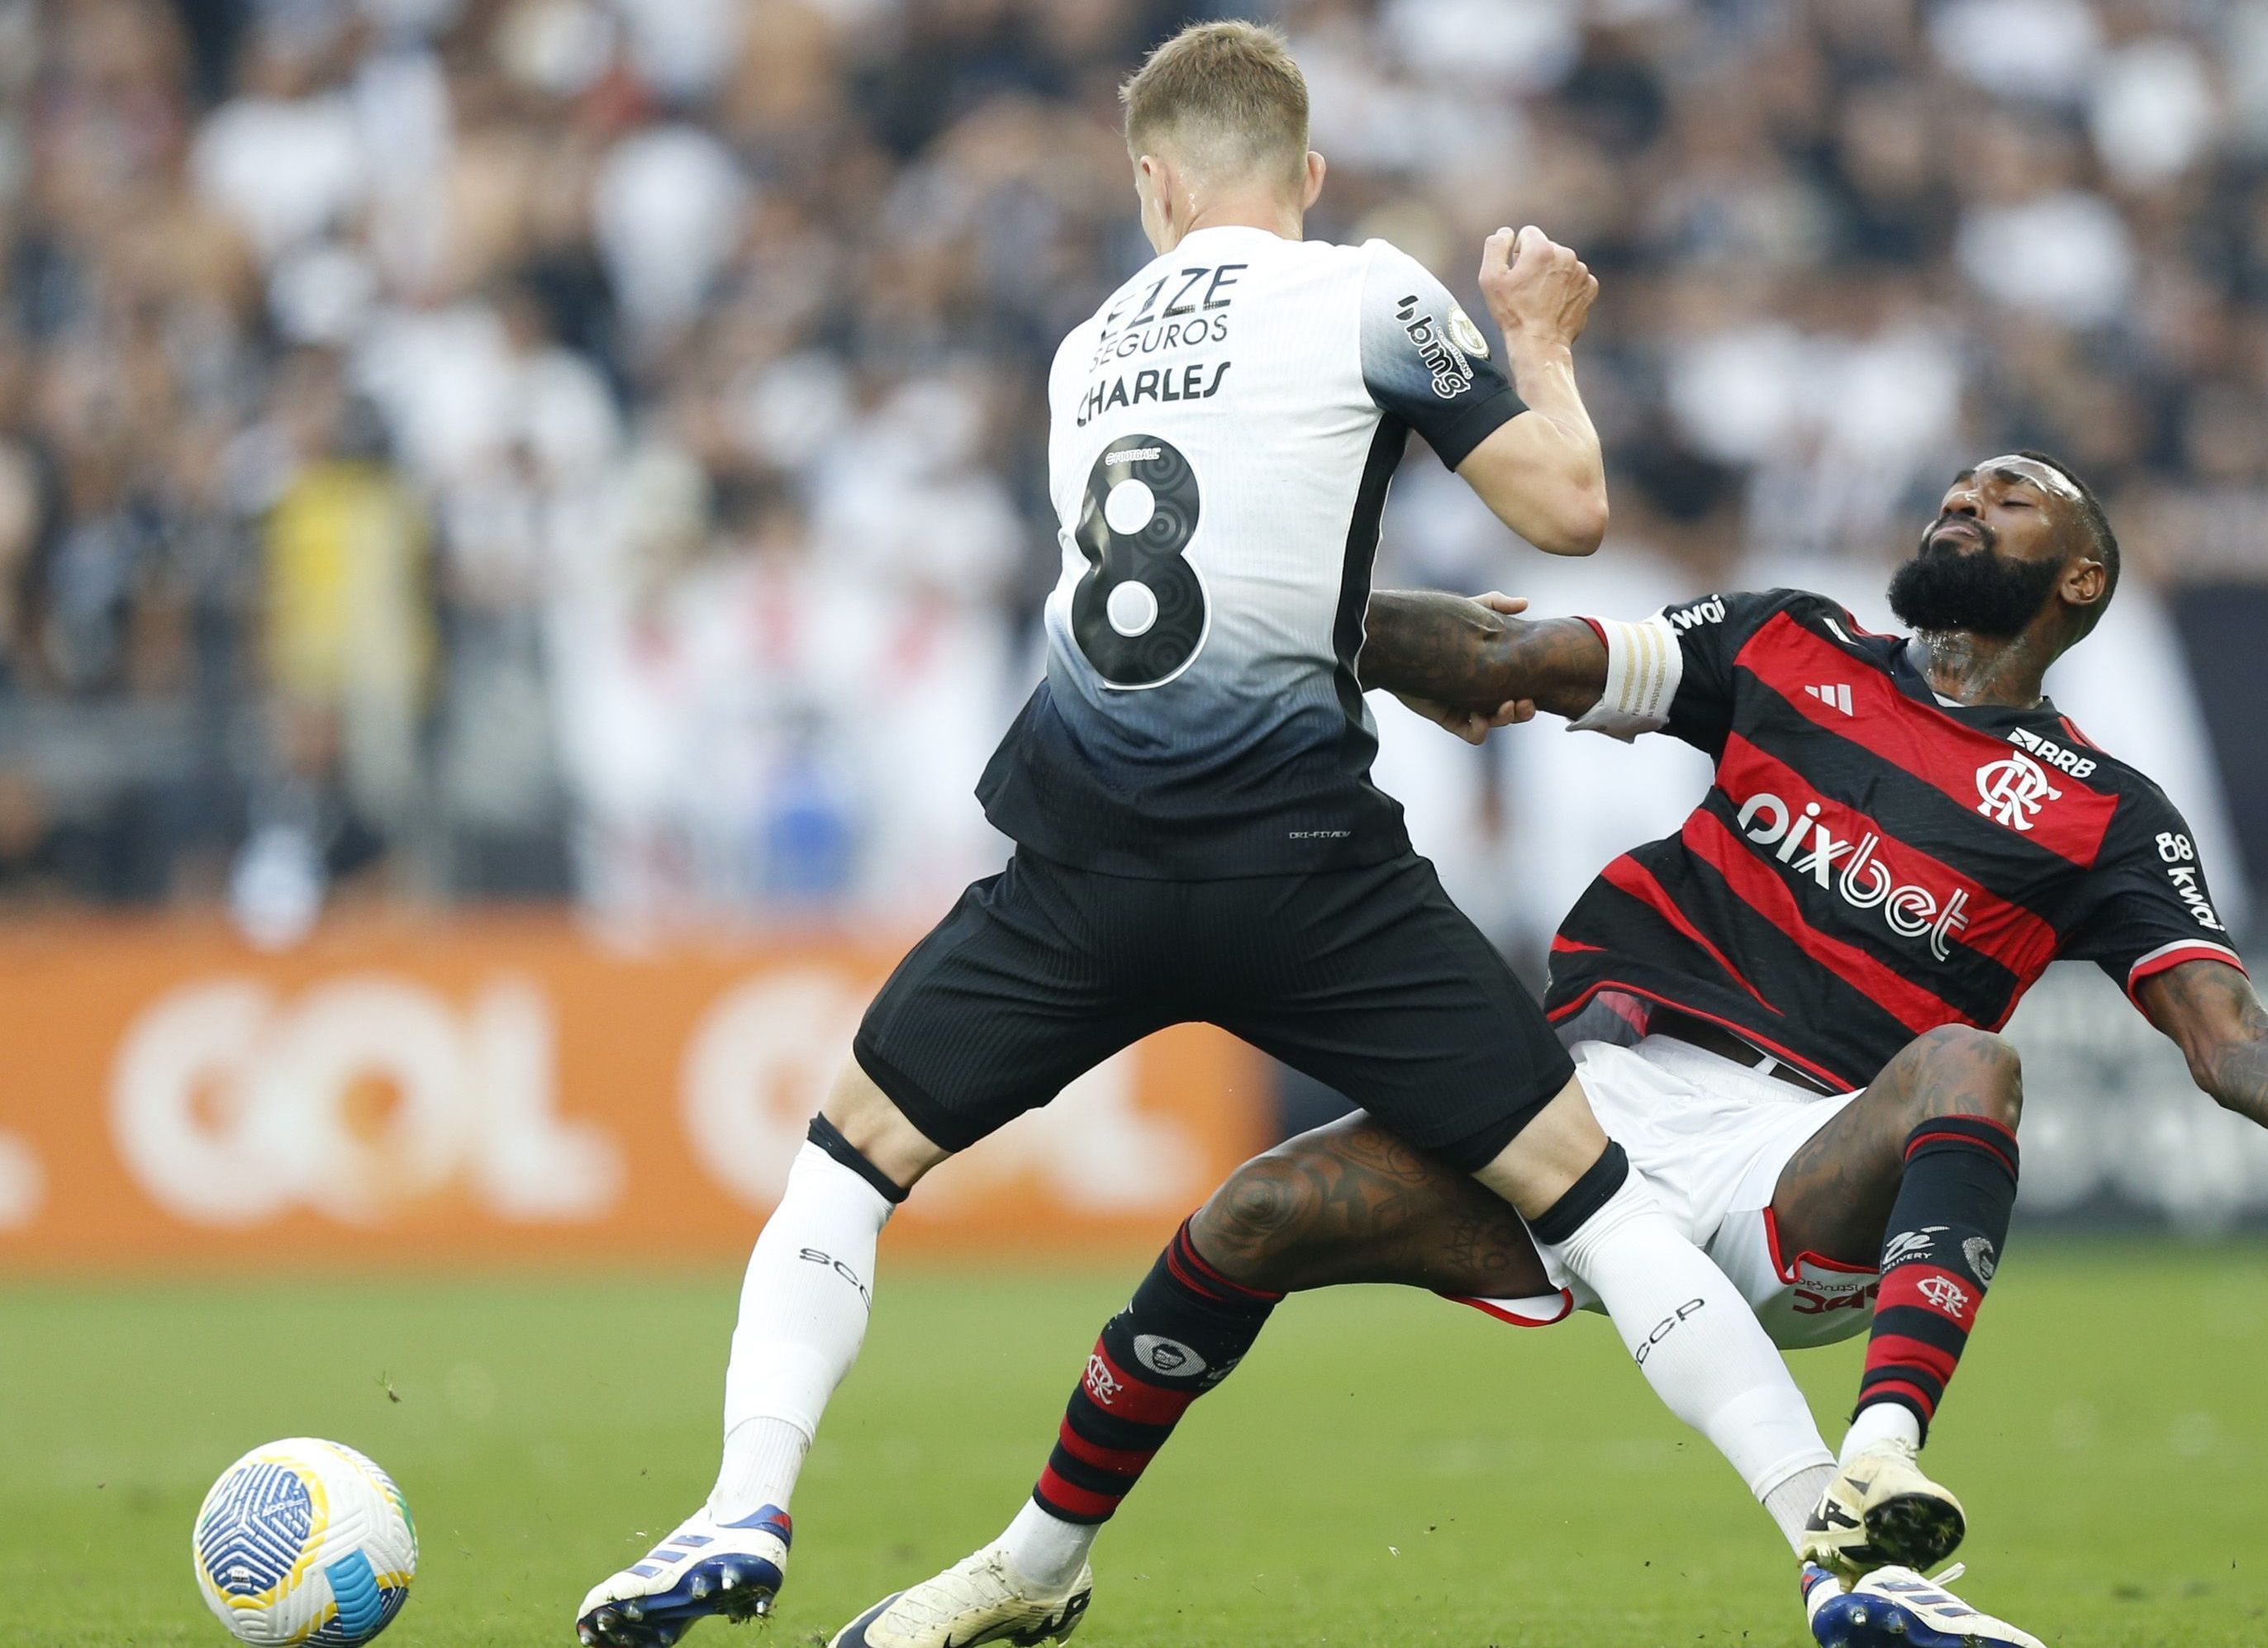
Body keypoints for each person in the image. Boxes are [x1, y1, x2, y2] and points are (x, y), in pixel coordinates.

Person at [577, 22, 1839, 1648]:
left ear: (1151, 182)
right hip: (1307, 869)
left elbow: (1195, 589)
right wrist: (1540, 341)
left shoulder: (1084, 346)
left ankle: (739, 1500)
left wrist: (1365, 634)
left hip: (1084, 865)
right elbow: (1566, 511)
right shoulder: (1369, 290)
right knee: (1595, 1204)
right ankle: (1832, 1543)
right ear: (1305, 175)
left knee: (842, 1166)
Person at [1031, 450, 2268, 1647]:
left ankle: (1876, 1474)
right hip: (1569, 1106)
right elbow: (1513, 663)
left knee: (1964, 1062)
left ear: (2078, 580)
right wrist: (1274, 617)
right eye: (1955, 487)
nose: (1963, 501)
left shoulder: (2101, 813)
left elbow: (2226, 1039)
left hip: (1792, 1172)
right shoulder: (1783, 643)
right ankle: (1031, 1568)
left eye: (2009, 498)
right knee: (1251, 1208)